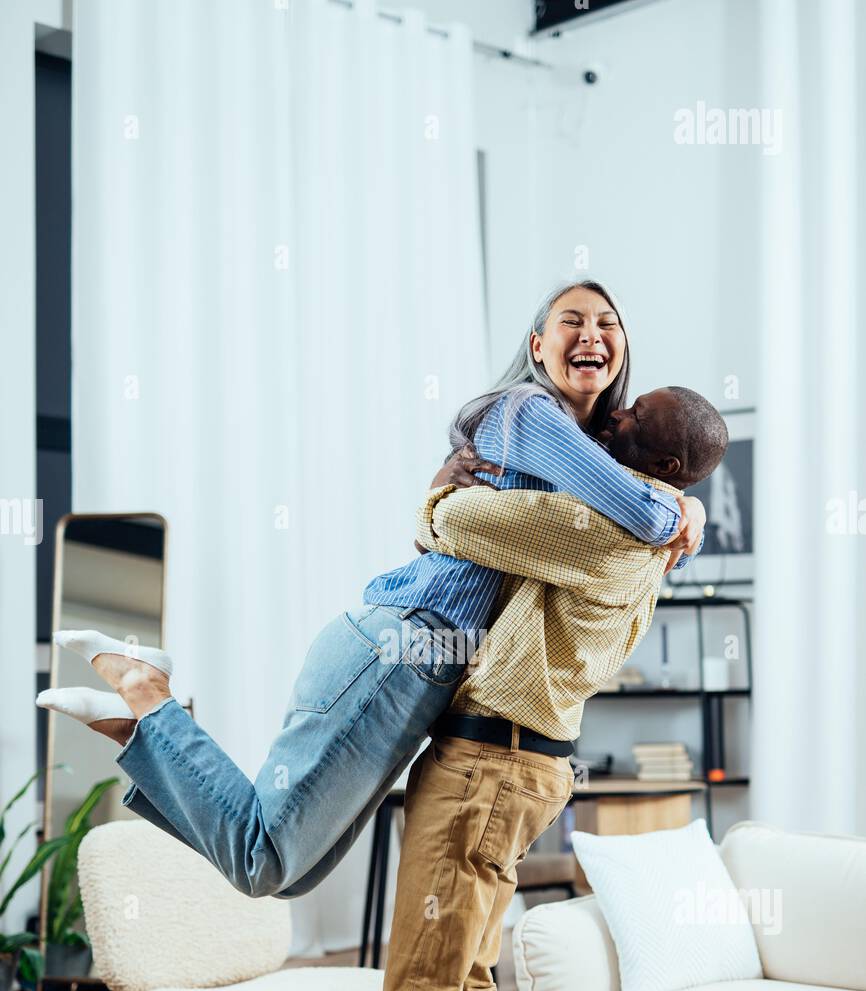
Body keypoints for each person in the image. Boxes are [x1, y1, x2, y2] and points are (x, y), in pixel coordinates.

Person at [36, 280, 705, 902]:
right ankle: (147, 695)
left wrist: (681, 506)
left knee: (294, 873)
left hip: (425, 666)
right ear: (537, 346)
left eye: (607, 323)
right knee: (263, 862)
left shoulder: (586, 455)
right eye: (572, 321)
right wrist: (685, 512)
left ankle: (136, 720)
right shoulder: (525, 411)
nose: (592, 333)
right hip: (401, 643)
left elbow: (616, 510)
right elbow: (646, 516)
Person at [352, 383, 728, 991]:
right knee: (469, 983)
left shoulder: (600, 527)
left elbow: (462, 525)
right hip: (526, 764)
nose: (618, 416)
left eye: (638, 420)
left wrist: (442, 491)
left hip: (487, 766)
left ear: (662, 466)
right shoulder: (647, 522)